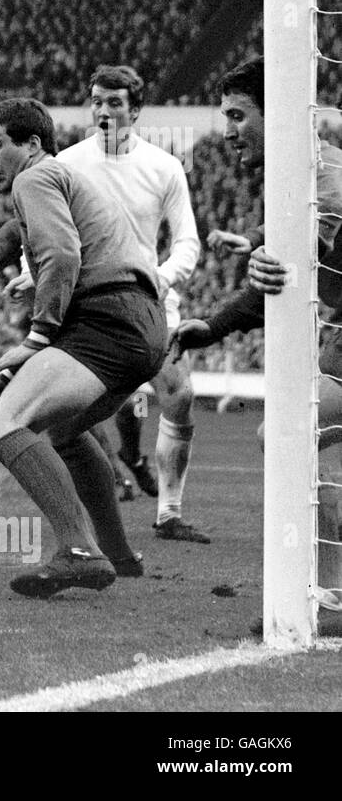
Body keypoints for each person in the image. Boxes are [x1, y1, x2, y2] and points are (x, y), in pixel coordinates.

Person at [0, 66, 206, 539]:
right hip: (94, 305)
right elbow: (40, 233)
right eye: (96, 101)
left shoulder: (164, 166)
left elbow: (186, 241)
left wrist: (163, 278)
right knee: (53, 421)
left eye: (115, 102)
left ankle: (165, 513)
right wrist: (26, 273)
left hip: (133, 301)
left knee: (175, 397)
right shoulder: (70, 161)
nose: (103, 111)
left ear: (136, 111)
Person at [171, 55, 342, 634]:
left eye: (239, 115)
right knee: (296, 441)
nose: (228, 130)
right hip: (336, 352)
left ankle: (328, 596)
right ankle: (331, 596)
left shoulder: (328, 182)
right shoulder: (297, 181)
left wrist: (289, 266)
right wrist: (212, 326)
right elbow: (279, 269)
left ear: (283, 114)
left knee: (290, 435)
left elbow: (310, 257)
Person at [0, 98, 164, 598]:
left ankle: (79, 552)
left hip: (106, 320)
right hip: (143, 324)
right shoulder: (66, 179)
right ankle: (118, 555)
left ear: (31, 144)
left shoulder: (33, 179)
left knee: (3, 424)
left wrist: (37, 339)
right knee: (64, 432)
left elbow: (62, 252)